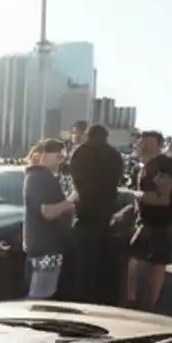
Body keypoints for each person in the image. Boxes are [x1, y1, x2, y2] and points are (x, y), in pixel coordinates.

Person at [126, 131, 172, 311]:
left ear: (157, 146)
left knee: (154, 264)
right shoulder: (145, 166)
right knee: (136, 260)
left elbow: (162, 199)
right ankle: (135, 301)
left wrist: (133, 194)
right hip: (150, 222)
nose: (140, 145)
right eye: (140, 142)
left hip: (163, 223)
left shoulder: (164, 167)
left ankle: (146, 306)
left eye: (146, 142)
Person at [66, 124, 125, 304]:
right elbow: (118, 179)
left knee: (83, 261)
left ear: (88, 136)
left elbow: (75, 180)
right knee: (104, 258)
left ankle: (81, 297)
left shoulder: (80, 153)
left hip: (85, 210)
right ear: (105, 137)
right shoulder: (114, 155)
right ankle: (104, 298)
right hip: (105, 210)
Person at [24, 139, 77, 299]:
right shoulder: (39, 178)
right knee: (40, 298)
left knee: (43, 294)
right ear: (42, 155)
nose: (61, 160)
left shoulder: (40, 177)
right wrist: (70, 202)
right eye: (57, 156)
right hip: (46, 249)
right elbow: (47, 211)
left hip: (44, 247)